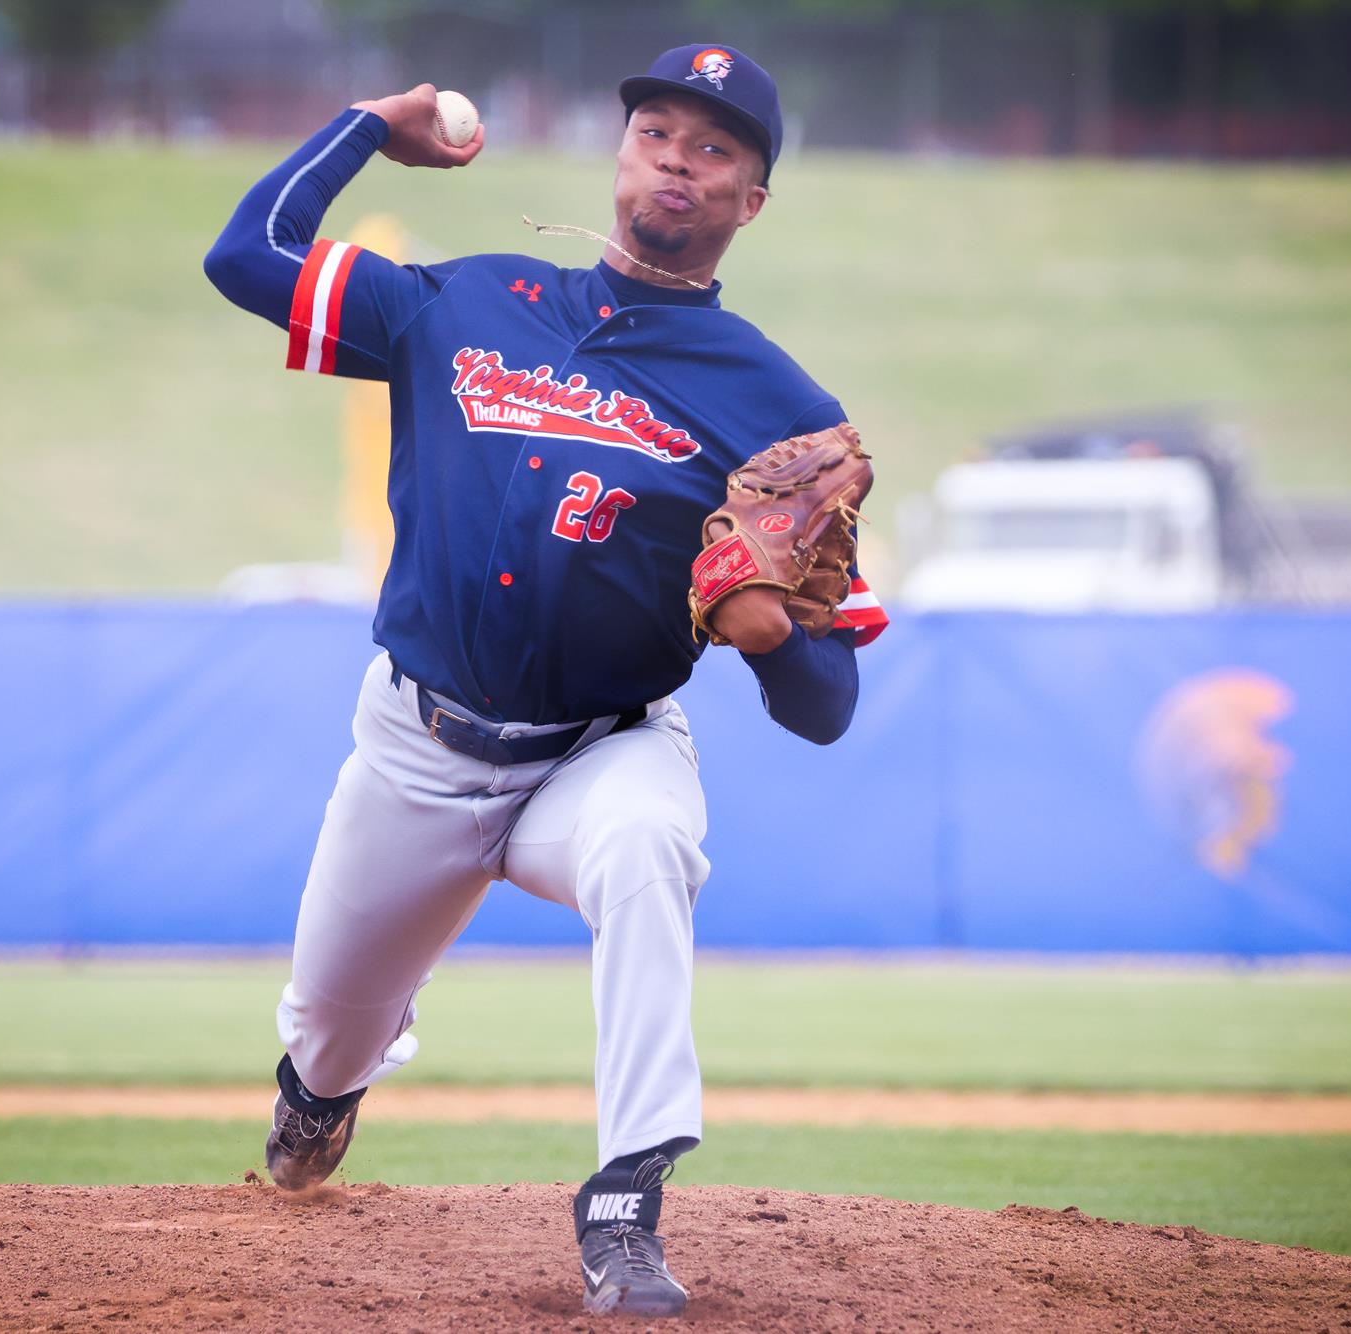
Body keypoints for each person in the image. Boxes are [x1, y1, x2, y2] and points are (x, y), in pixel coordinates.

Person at [202, 43, 887, 1318]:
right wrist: (364, 125)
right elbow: (243, 259)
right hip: (417, 746)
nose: (678, 158)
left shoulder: (781, 409)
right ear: (619, 155)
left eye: (716, 146)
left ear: (751, 199)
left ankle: (625, 1197)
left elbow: (827, 706)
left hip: (598, 749)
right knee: (322, 1045)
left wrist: (769, 634)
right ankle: (324, 1094)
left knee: (644, 850)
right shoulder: (464, 301)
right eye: (658, 131)